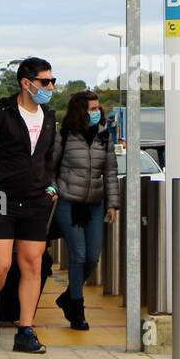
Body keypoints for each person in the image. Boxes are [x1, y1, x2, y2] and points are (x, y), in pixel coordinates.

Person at [0, 57, 59, 353]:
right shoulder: (2, 112)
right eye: (45, 81)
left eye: (52, 81)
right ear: (26, 83)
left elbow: (49, 157)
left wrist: (50, 186)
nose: (50, 87)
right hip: (0, 197)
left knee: (33, 263)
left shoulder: (49, 115)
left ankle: (25, 329)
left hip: (36, 199)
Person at [52, 90, 119, 331]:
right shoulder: (64, 135)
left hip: (94, 203)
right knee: (78, 255)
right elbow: (51, 166)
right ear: (80, 111)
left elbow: (110, 171)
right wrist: (54, 189)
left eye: (97, 109)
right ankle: (77, 308)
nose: (96, 113)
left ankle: (69, 295)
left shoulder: (104, 137)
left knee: (92, 257)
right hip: (68, 201)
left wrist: (113, 203)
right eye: (91, 109)